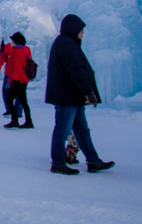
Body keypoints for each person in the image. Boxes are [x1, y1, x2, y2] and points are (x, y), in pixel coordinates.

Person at [45, 15, 114, 175]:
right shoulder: (67, 44)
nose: (83, 33)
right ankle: (58, 163)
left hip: (72, 97)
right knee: (62, 130)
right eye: (81, 30)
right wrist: (88, 92)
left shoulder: (64, 42)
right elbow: (76, 71)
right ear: (73, 29)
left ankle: (93, 161)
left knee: (82, 130)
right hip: (68, 97)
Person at [0, 32, 34, 129]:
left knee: (9, 99)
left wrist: (14, 81)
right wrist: (2, 51)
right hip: (20, 80)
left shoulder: (18, 52)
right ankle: (27, 121)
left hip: (18, 80)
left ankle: (15, 120)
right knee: (22, 100)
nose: (11, 42)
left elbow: (17, 68)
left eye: (13, 40)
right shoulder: (15, 50)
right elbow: (6, 58)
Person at [0, 40, 23, 118]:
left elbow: (3, 58)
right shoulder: (24, 48)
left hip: (13, 74)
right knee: (16, 92)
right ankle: (15, 110)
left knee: (8, 92)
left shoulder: (10, 47)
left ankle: (12, 109)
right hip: (15, 74)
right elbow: (3, 57)